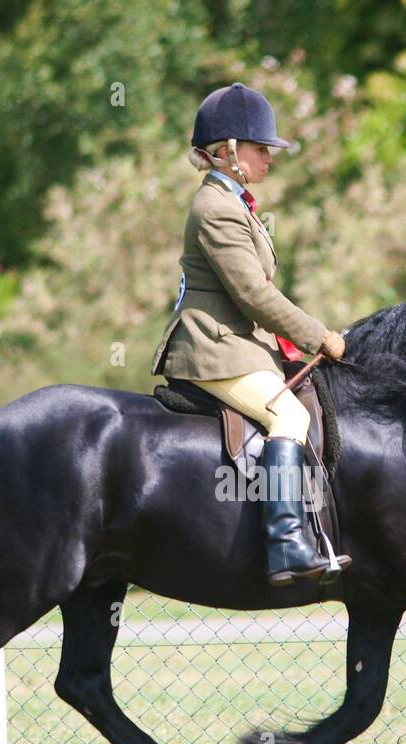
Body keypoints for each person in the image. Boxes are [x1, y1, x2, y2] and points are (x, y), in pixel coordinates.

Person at [152, 82, 351, 586]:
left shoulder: (237, 202)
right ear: (230, 151)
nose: (270, 157)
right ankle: (286, 545)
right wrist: (317, 335)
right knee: (288, 413)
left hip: (242, 347)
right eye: (262, 148)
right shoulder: (215, 207)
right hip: (214, 351)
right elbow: (254, 296)